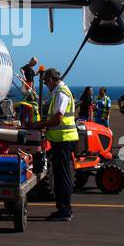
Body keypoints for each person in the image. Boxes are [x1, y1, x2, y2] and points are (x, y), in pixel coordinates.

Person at [36, 68, 77, 222]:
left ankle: (65, 210)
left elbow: (58, 118)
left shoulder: (61, 93)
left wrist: (40, 124)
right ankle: (63, 208)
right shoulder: (59, 92)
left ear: (52, 79)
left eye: (46, 82)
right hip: (61, 140)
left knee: (63, 177)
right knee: (60, 176)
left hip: (63, 140)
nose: (46, 85)